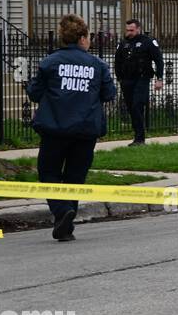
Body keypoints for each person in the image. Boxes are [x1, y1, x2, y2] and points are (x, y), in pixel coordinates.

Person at [26, 14, 117, 242]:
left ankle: (61, 211)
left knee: (48, 173)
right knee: (75, 177)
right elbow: (109, 94)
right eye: (89, 37)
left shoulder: (49, 62)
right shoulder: (98, 65)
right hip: (86, 130)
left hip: (55, 128)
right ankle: (66, 224)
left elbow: (34, 93)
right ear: (83, 38)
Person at [113, 17, 164, 146]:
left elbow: (159, 60)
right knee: (132, 108)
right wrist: (119, 78)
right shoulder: (123, 43)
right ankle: (138, 137)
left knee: (137, 105)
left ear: (138, 29)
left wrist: (159, 78)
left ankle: (140, 138)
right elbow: (117, 62)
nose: (129, 32)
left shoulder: (148, 42)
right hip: (126, 80)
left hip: (142, 79)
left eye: (132, 30)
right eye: (127, 30)